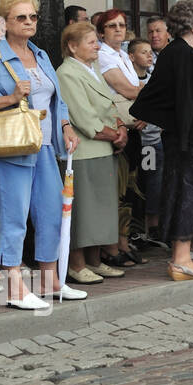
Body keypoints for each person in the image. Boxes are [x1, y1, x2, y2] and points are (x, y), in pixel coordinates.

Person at [0, 0, 81, 308]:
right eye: (21, 18)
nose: (28, 23)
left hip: (44, 146)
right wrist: (10, 98)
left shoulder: (40, 55)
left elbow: (57, 99)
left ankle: (50, 281)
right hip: (11, 147)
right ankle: (14, 288)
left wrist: (66, 125)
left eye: (33, 17)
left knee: (52, 212)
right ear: (5, 22)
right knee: (13, 216)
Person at [129, 0, 193, 281]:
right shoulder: (182, 54)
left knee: (188, 194)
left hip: (189, 138)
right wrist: (182, 138)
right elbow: (183, 100)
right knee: (185, 194)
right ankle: (180, 259)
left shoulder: (177, 53)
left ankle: (183, 258)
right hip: (188, 140)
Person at [55, 22, 124, 287]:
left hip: (104, 148)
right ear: (73, 46)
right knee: (82, 211)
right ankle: (77, 265)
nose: (97, 45)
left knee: (102, 210)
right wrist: (113, 134)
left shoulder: (92, 68)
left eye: (96, 41)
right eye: (91, 41)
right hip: (84, 150)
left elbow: (109, 104)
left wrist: (119, 127)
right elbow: (84, 118)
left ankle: (95, 261)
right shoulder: (67, 73)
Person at [93, 8, 143, 266]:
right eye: (112, 26)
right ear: (101, 32)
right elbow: (127, 89)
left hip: (133, 125)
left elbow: (136, 90)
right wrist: (143, 94)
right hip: (117, 125)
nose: (118, 29)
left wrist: (142, 99)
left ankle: (123, 241)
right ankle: (111, 246)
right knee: (118, 188)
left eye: (122, 25)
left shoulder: (122, 54)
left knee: (130, 188)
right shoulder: (102, 55)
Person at [128, 38, 164, 246]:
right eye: (143, 52)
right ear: (132, 57)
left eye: (150, 52)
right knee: (140, 183)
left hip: (153, 140)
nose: (149, 55)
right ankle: (138, 228)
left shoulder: (154, 78)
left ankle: (153, 228)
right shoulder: (128, 80)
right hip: (139, 141)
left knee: (154, 183)